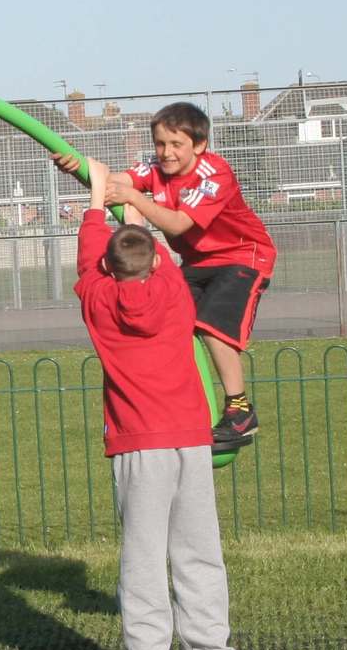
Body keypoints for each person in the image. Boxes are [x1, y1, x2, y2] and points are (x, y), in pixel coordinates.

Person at [58, 153, 240, 650]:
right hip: (191, 439)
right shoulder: (174, 292)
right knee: (198, 549)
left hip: (140, 445)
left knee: (142, 556)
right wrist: (128, 203)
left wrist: (97, 195)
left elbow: (90, 258)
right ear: (156, 263)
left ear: (108, 269)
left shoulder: (99, 299)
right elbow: (147, 250)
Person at [103, 103, 275, 451]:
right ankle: (181, 407)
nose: (166, 152)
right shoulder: (156, 168)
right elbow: (118, 180)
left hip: (241, 255)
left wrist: (134, 197)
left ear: (199, 145)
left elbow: (179, 223)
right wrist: (83, 169)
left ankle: (240, 410)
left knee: (211, 323)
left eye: (175, 144)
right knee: (169, 321)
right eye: (160, 143)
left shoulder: (214, 174)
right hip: (197, 261)